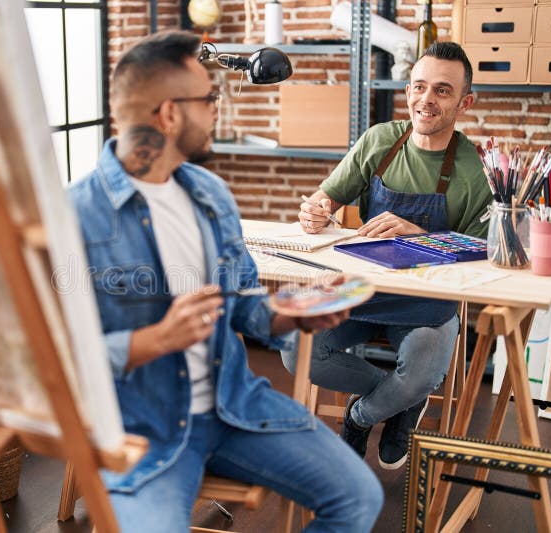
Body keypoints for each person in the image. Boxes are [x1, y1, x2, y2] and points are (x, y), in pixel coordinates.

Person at [69, 30, 383, 532]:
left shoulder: (210, 194)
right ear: (169, 115)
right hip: (143, 433)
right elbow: (53, 360)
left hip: (235, 407)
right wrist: (156, 340)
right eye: (209, 98)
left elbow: (244, 308)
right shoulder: (74, 216)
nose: (218, 109)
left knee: (358, 497)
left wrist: (296, 312)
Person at [283, 42, 493, 471]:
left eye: (442, 90)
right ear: (407, 89)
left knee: (421, 374)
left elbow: (483, 254)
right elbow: (324, 200)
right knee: (294, 346)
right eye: (419, 86)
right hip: (361, 288)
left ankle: (361, 417)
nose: (426, 99)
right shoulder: (380, 141)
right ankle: (399, 401)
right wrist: (314, 212)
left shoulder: (476, 169)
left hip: (427, 303)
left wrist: (422, 236)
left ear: (465, 103)